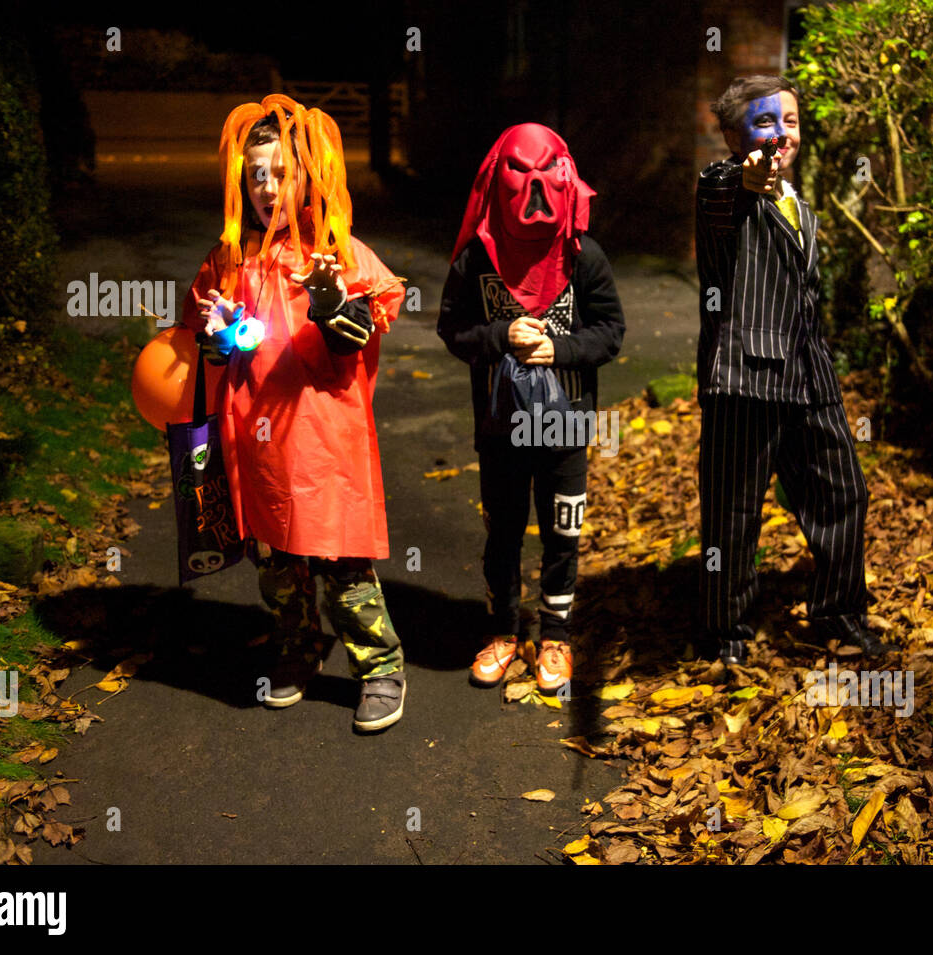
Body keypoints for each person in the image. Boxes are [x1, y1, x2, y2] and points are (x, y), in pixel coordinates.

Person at [183, 95, 408, 731]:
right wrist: (217, 336)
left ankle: (380, 666)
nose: (266, 186)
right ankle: (300, 644)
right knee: (277, 560)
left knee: (341, 561)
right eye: (255, 174)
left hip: (323, 436)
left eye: (281, 172)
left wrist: (334, 300)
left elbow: (360, 333)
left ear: (306, 177)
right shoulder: (230, 259)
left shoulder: (339, 251)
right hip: (256, 440)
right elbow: (212, 342)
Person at [695, 75, 892, 665]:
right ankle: (723, 632)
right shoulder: (722, 186)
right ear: (734, 136)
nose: (781, 134)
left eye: (791, 121)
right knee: (733, 512)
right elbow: (730, 185)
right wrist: (748, 172)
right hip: (745, 378)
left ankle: (837, 615)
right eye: (764, 122)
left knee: (844, 492)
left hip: (809, 376)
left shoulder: (802, 207)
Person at [438, 123, 625, 695]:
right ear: (499, 180)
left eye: (548, 173)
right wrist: (499, 336)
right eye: (521, 173)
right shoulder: (477, 259)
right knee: (503, 532)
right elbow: (451, 328)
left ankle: (556, 637)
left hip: (566, 424)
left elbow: (611, 331)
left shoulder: (582, 254)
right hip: (500, 427)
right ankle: (503, 632)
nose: (535, 187)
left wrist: (560, 348)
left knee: (562, 531)